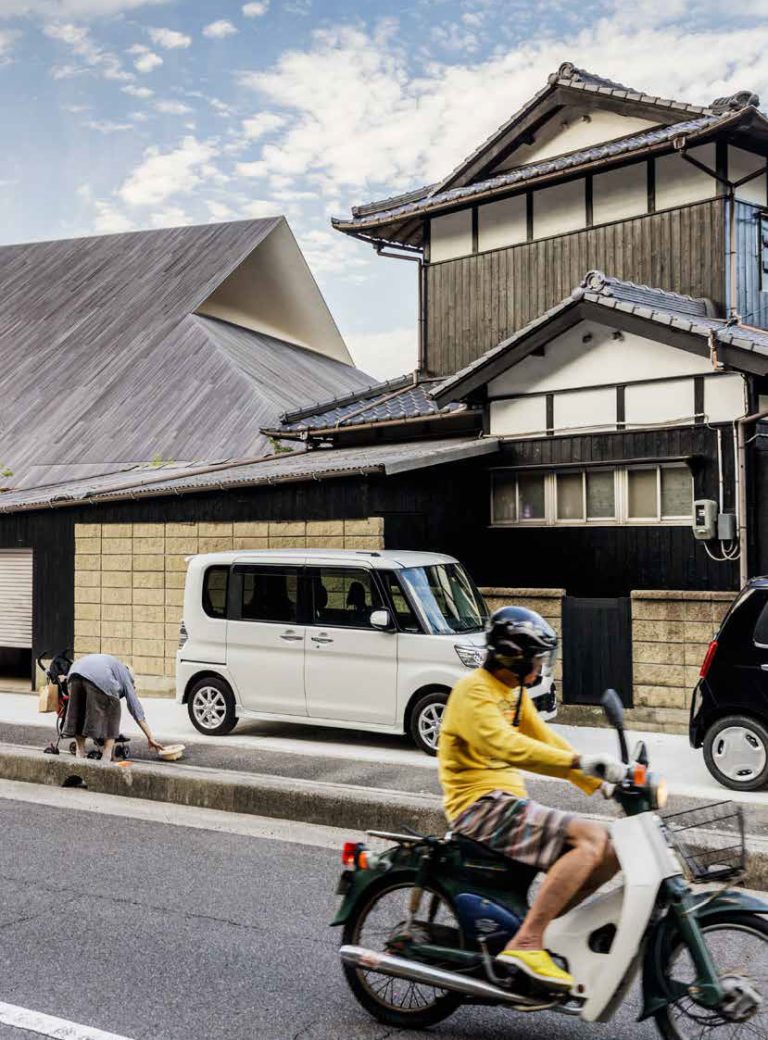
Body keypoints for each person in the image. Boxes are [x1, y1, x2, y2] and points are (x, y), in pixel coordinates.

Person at [437, 606, 626, 992]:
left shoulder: (512, 693)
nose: (541, 666)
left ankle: (542, 929)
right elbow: (508, 746)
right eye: (537, 658)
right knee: (590, 838)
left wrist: (602, 783)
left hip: (505, 803)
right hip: (478, 806)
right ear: (515, 658)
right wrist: (580, 763)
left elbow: (545, 740)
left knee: (611, 849)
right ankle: (527, 942)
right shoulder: (473, 691)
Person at [62, 653, 165, 762]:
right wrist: (150, 737)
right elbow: (135, 708)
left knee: (79, 713)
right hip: (99, 676)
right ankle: (106, 756)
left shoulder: (112, 664)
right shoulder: (126, 674)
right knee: (113, 711)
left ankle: (80, 754)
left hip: (74, 673)